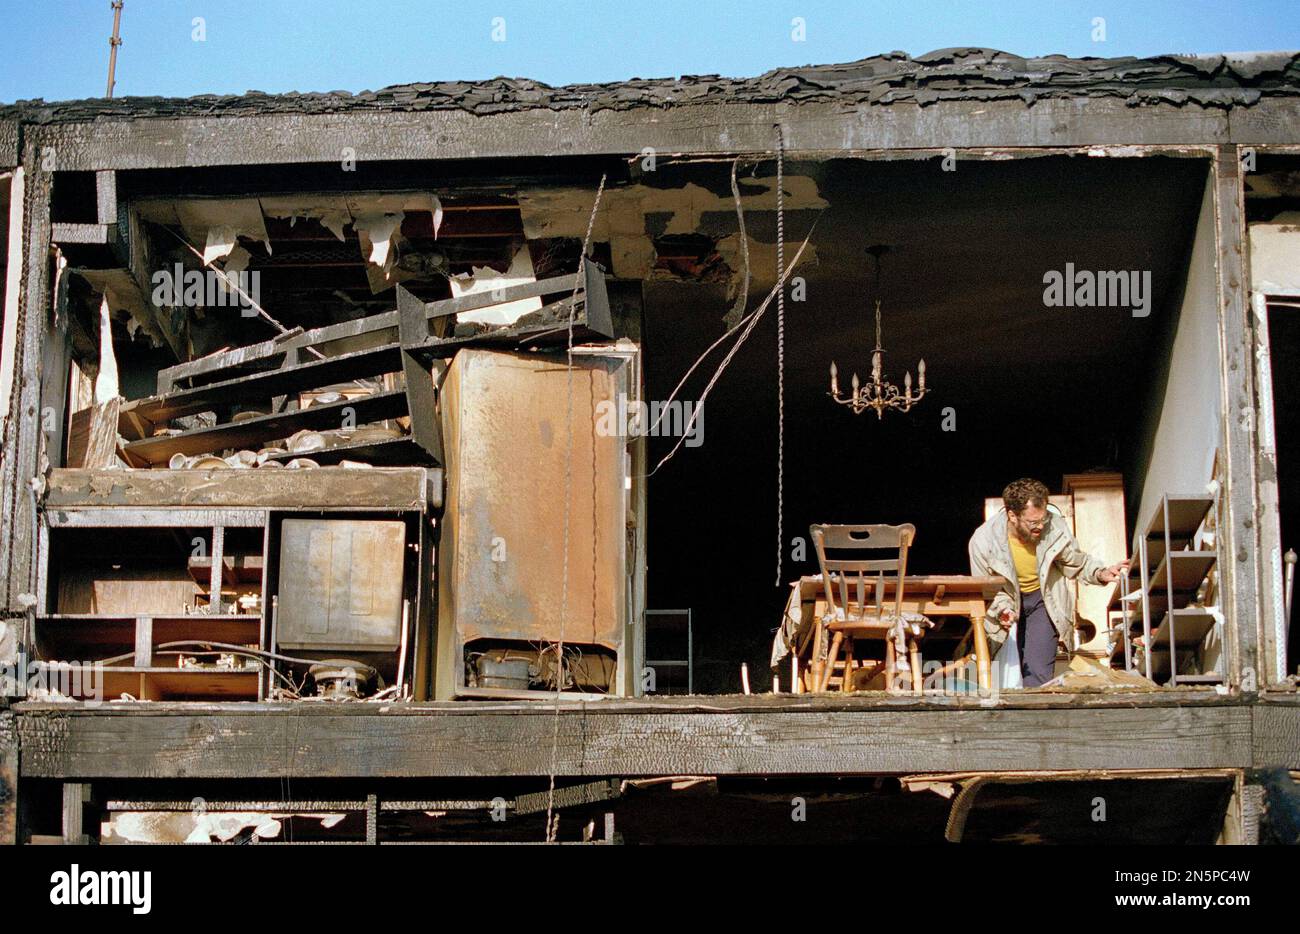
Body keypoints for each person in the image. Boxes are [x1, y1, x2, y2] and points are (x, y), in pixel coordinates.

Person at [968, 478, 1129, 687]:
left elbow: (1074, 560)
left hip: (1043, 601)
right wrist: (1002, 610)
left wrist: (1100, 572)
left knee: (1037, 673)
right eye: (1033, 522)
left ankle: (1034, 717)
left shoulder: (1054, 526)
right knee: (1004, 675)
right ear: (1012, 516)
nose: (1040, 526)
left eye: (1043, 519)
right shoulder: (982, 541)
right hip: (1005, 603)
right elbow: (985, 590)